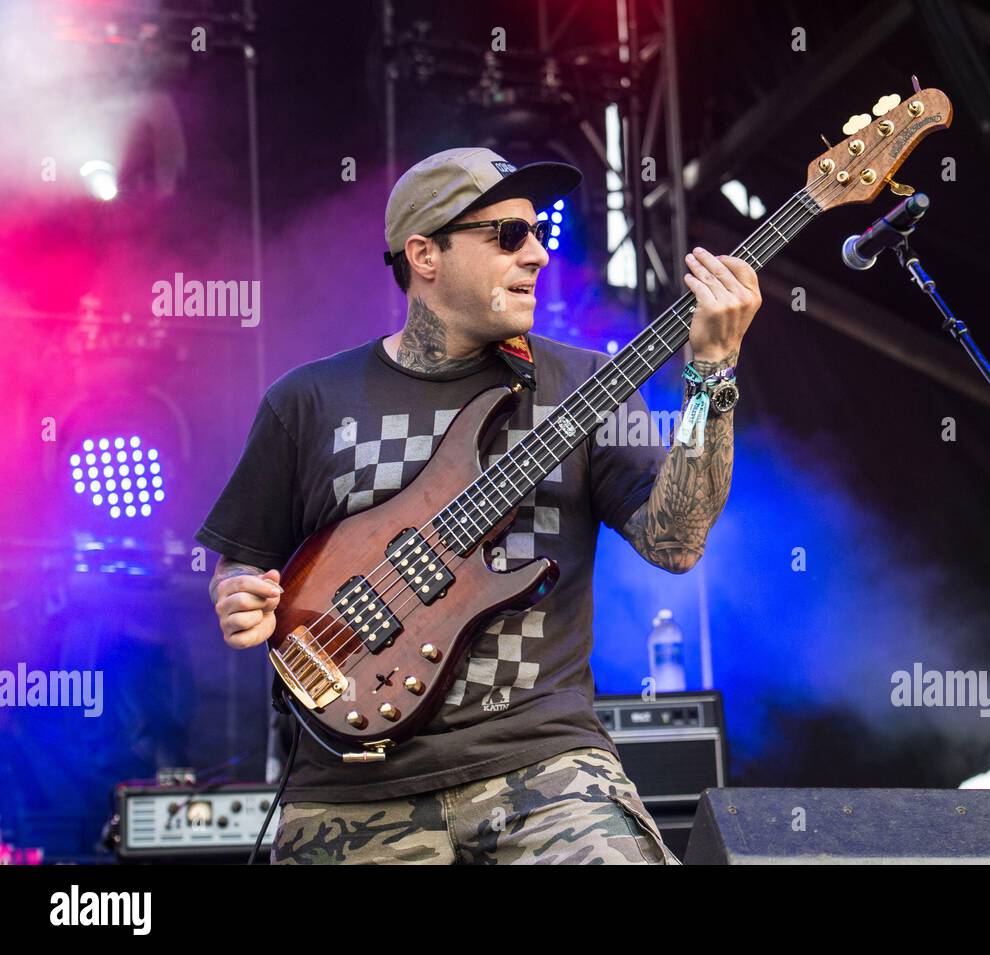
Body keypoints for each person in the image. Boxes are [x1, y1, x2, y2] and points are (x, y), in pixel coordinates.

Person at [196, 147, 760, 864]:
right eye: (508, 236)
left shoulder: (586, 383)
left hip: (544, 763)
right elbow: (238, 567)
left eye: (538, 231)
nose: (538, 254)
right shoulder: (307, 401)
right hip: (352, 787)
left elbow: (677, 543)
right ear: (425, 254)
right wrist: (236, 597)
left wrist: (711, 374)